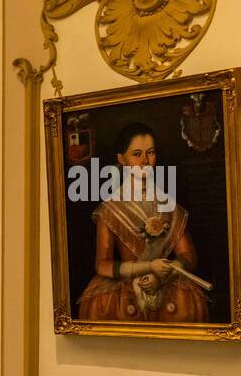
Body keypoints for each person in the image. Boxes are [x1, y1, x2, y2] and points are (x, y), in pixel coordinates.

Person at [77, 122, 209, 323]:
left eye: (151, 153)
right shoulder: (110, 209)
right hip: (123, 290)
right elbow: (102, 265)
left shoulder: (168, 204)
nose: (145, 161)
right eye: (137, 154)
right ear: (121, 159)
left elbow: (188, 255)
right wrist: (149, 267)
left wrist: (162, 276)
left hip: (166, 282)